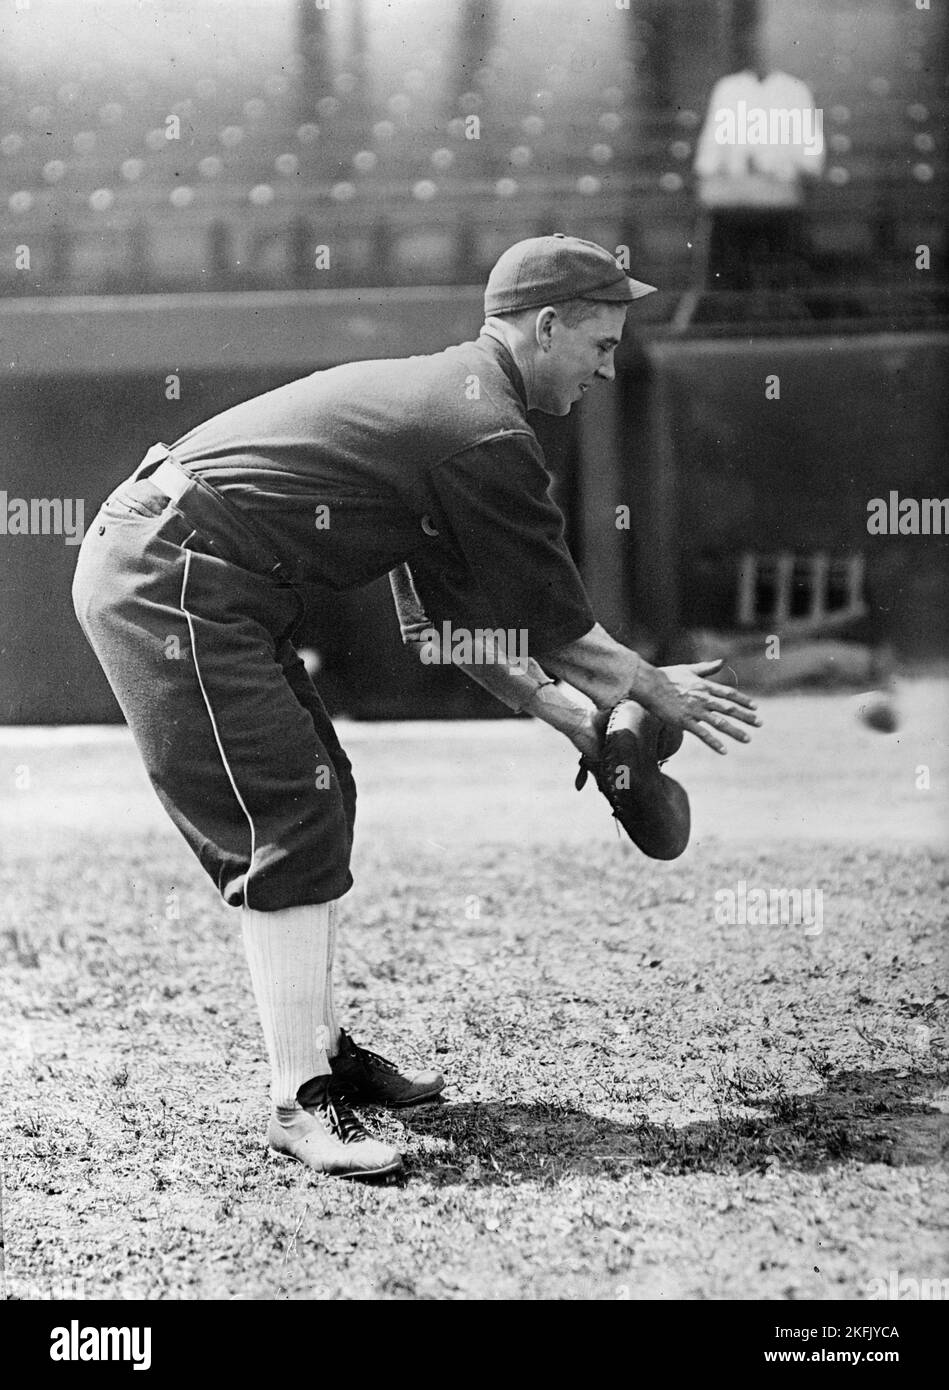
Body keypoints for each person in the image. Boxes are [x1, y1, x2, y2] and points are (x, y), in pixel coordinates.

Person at [72, 234, 760, 1181]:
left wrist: (566, 715)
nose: (607, 368)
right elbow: (562, 631)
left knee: (322, 792)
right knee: (287, 812)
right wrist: (653, 690)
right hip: (173, 574)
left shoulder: (457, 404)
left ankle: (321, 1052)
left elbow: (440, 625)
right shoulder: (480, 428)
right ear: (546, 325)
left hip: (213, 575)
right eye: (599, 346)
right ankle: (297, 1102)